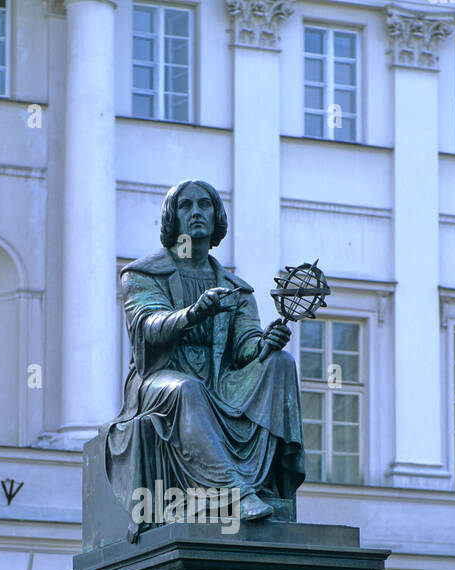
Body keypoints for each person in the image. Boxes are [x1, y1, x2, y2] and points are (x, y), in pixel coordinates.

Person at [105, 179, 305, 540]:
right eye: (185, 205)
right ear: (173, 218)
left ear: (217, 217)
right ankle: (236, 492)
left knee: (281, 363)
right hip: (159, 380)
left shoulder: (237, 289)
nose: (196, 212)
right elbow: (147, 326)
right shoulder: (142, 274)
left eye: (205, 205)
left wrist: (265, 346)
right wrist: (192, 314)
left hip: (219, 379)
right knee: (187, 389)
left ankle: (269, 488)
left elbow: (245, 346)